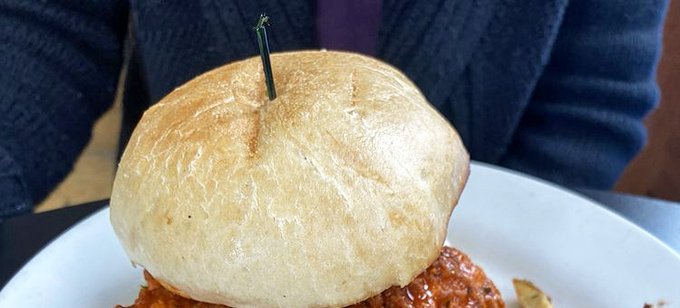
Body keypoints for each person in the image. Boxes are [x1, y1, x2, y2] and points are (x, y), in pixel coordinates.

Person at [0, 0, 669, 220]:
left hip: (480, 241)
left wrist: (498, 239)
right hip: (173, 233)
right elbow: (46, 26)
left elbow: (591, 100)